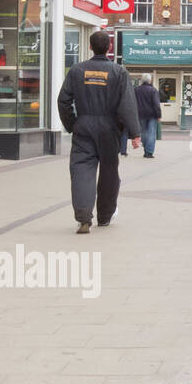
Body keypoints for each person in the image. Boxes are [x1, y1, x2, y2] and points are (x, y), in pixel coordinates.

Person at [57, 30, 140, 233]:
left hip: (83, 127)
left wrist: (72, 124)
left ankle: (84, 217)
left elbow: (63, 100)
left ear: (90, 47)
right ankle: (104, 216)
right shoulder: (118, 72)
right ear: (109, 47)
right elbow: (127, 104)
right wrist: (134, 133)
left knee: (81, 170)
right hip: (109, 128)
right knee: (109, 172)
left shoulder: (77, 70)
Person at [134, 74, 163, 158]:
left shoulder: (136, 90)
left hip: (140, 114)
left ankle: (145, 149)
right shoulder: (153, 90)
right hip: (152, 115)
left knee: (144, 132)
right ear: (150, 80)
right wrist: (159, 115)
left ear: (142, 81)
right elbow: (156, 104)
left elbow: (133, 103)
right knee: (151, 133)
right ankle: (149, 152)